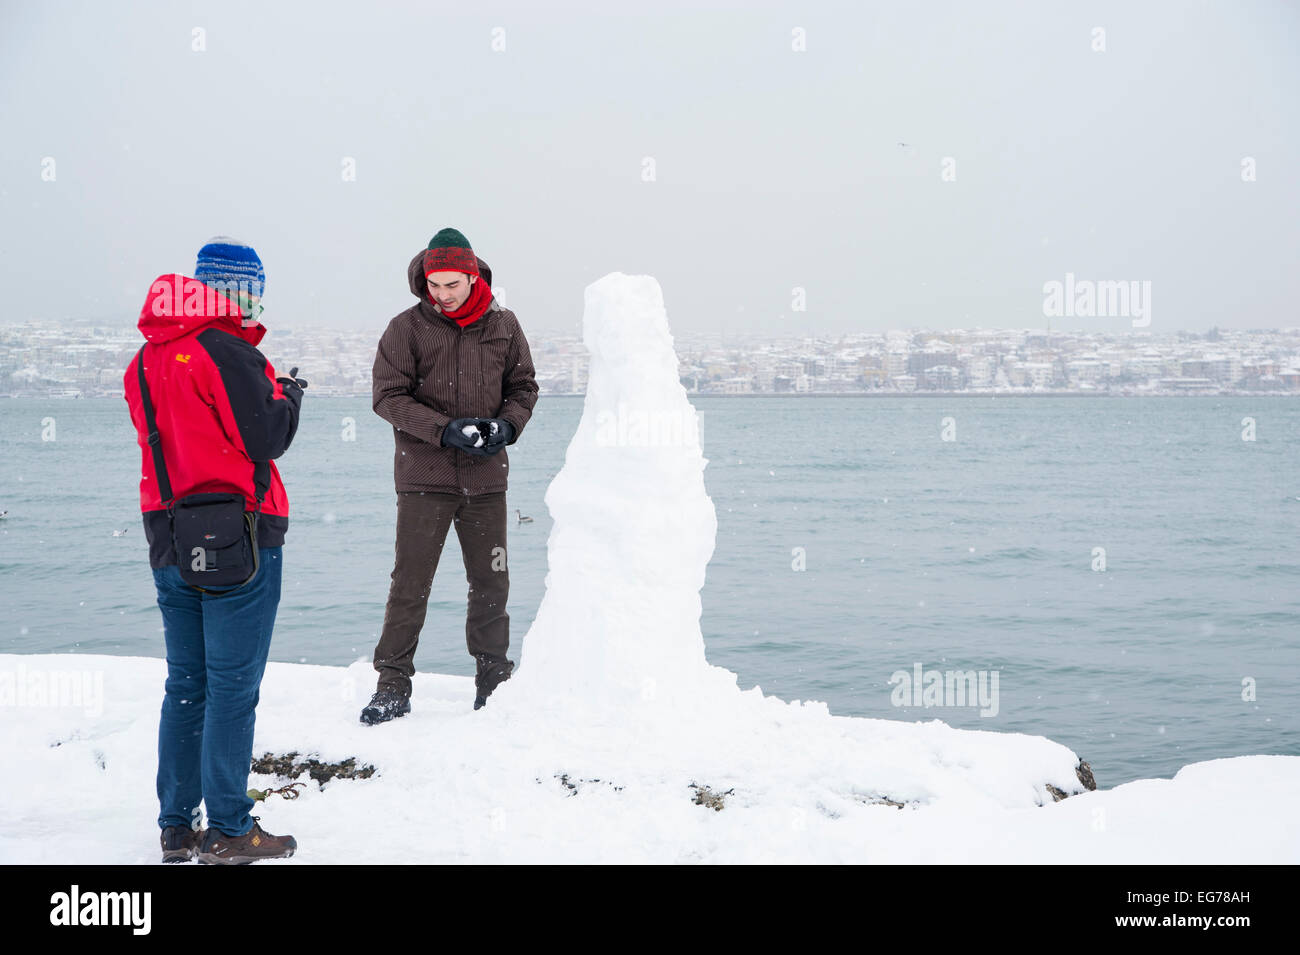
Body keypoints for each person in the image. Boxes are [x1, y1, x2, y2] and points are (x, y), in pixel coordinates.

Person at [124, 237, 306, 864]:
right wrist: (288, 393)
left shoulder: (146, 358)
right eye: (252, 290)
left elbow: (172, 440)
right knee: (233, 687)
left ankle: (177, 825)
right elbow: (265, 439)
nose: (256, 302)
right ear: (235, 290)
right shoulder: (225, 351)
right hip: (239, 532)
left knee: (188, 683)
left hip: (168, 530)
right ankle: (230, 829)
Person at [363, 227, 538, 723]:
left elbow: (524, 387)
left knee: (492, 583)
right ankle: (392, 686)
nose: (440, 295)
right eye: (433, 285)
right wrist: (445, 431)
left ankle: (494, 685)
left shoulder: (504, 325)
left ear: (473, 276)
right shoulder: (406, 327)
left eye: (451, 285)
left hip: (487, 482)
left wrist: (507, 425)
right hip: (423, 477)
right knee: (410, 583)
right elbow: (387, 397)